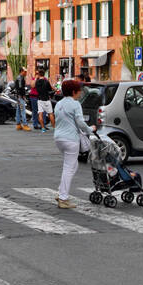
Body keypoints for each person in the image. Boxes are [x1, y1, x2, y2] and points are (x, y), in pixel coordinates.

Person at [52, 79, 92, 208]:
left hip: (59, 138)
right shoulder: (75, 104)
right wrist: (90, 130)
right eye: (79, 91)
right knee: (69, 168)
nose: (80, 93)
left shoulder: (58, 104)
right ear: (74, 92)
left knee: (73, 166)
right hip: (71, 139)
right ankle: (63, 198)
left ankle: (60, 192)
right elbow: (80, 122)